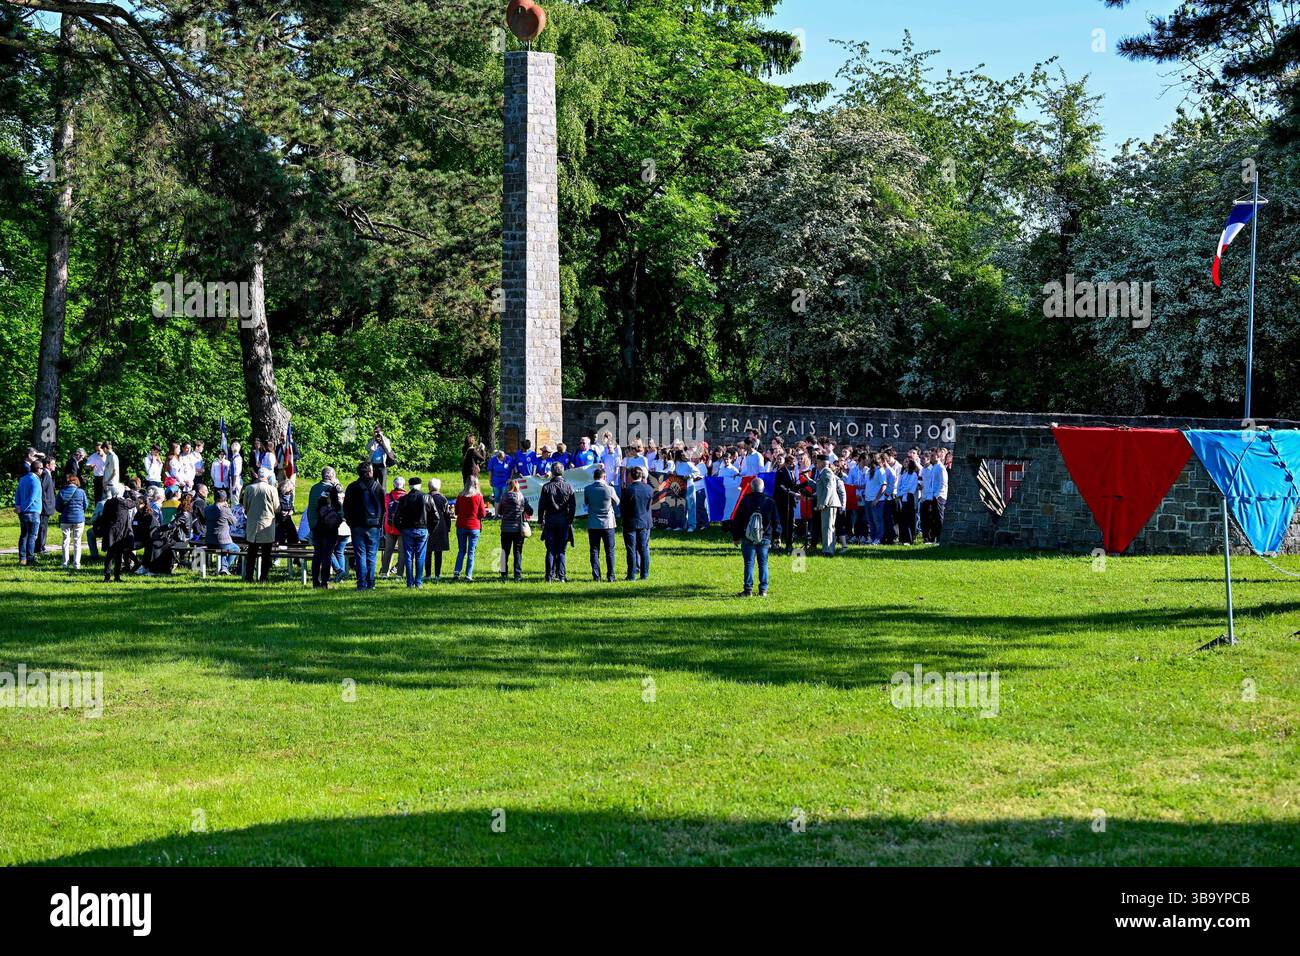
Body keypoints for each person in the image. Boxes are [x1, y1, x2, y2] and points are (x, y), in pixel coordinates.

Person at [731, 476, 777, 597]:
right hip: (765, 537)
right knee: (763, 563)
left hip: (747, 536)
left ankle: (748, 590)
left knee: (749, 563)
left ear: (751, 488)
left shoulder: (745, 500)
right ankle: (763, 590)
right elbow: (776, 521)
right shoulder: (770, 501)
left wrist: (736, 537)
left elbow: (737, 520)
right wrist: (777, 536)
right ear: (763, 488)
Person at [343, 462, 384, 589]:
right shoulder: (377, 487)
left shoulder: (352, 487)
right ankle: (370, 583)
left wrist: (351, 523)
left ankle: (361, 584)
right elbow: (383, 508)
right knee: (371, 555)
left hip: (357, 526)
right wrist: (379, 523)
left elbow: (346, 508)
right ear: (370, 472)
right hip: (374, 525)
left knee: (360, 555)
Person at [537, 462, 575, 582]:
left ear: (553, 472)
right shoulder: (568, 487)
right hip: (563, 521)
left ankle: (549, 576)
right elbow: (573, 506)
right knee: (561, 550)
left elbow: (541, 506)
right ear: (562, 472)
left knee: (551, 550)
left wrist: (540, 520)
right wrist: (570, 519)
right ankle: (561, 576)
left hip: (550, 521)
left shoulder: (546, 487)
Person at [394, 476, 434, 588]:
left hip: (407, 530)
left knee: (408, 556)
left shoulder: (404, 499)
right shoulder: (427, 497)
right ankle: (418, 582)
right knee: (420, 556)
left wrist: (401, 529)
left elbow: (396, 517)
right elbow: (435, 516)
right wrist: (430, 529)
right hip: (423, 529)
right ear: (420, 485)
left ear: (409, 486)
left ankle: (410, 582)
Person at [240, 467, 279, 582]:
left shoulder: (249, 488)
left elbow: (245, 506)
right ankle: (263, 577)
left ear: (258, 475)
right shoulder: (272, 489)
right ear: (267, 477)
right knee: (266, 554)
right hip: (267, 525)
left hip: (252, 524)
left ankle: (249, 576)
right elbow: (277, 508)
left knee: (251, 553)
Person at [584, 464, 620, 582]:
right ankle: (611, 576)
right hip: (608, 523)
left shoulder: (588, 489)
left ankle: (596, 576)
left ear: (594, 477)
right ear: (604, 477)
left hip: (593, 523)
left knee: (594, 550)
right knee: (609, 551)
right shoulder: (610, 489)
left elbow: (586, 502)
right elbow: (617, 502)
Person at [621, 466, 653, 581]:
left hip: (630, 522)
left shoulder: (627, 490)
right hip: (644, 521)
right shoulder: (649, 489)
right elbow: (649, 506)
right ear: (641, 476)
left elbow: (622, 508)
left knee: (631, 549)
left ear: (630, 476)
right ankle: (644, 574)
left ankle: (631, 575)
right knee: (643, 548)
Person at [452, 475, 487, 582]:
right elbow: (483, 513)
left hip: (461, 525)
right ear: (476, 485)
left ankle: (457, 573)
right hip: (474, 526)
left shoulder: (460, 496)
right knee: (471, 552)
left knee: (461, 551)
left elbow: (456, 511)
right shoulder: (478, 497)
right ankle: (468, 575)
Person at [496, 477, 531, 581]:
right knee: (517, 552)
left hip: (506, 529)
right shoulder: (522, 497)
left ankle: (503, 574)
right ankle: (517, 575)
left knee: (504, 552)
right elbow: (530, 512)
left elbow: (500, 512)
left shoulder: (504, 497)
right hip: (518, 530)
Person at [98, 489, 135, 581]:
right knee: (118, 555)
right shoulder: (123, 502)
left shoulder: (108, 502)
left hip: (110, 531)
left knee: (109, 555)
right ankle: (117, 576)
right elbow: (135, 502)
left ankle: (107, 576)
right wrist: (131, 492)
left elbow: (104, 516)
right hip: (120, 532)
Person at [310, 485, 343, 588]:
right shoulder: (336, 506)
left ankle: (315, 582)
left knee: (317, 556)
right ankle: (324, 582)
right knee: (326, 557)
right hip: (330, 532)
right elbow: (341, 516)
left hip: (318, 531)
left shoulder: (320, 504)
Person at [814, 454, 845, 557]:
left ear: (822, 462)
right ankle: (829, 549)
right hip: (829, 503)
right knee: (829, 527)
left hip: (829, 503)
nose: (816, 463)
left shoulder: (826, 471)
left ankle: (827, 551)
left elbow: (829, 488)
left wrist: (824, 503)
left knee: (827, 527)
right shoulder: (823, 472)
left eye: (818, 461)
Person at [204, 490, 241, 575]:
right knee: (236, 549)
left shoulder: (207, 509)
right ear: (225, 499)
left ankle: (223, 568)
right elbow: (234, 522)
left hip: (209, 541)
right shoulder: (225, 510)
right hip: (222, 541)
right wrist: (228, 509)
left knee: (223, 550)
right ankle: (224, 567)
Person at [56, 474, 89, 569]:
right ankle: (76, 564)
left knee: (65, 541)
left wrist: (64, 511)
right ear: (77, 482)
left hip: (65, 519)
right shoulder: (81, 492)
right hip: (79, 519)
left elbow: (57, 507)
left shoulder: (62, 492)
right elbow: (85, 505)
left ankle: (65, 563)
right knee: (77, 541)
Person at [15, 462, 43, 566]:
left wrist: (18, 506)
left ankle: (22, 558)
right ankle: (30, 558)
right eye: (41, 468)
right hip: (32, 511)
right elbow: (32, 497)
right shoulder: (35, 480)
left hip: (22, 512)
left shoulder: (23, 479)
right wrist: (23, 507)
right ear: (38, 469)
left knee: (24, 535)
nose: (42, 470)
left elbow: (17, 494)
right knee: (32, 536)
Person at [380, 475, 408, 578]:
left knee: (388, 550)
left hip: (389, 527)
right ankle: (399, 574)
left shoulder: (387, 497)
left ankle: (384, 573)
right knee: (402, 552)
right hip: (402, 528)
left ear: (394, 485)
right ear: (403, 485)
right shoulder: (407, 496)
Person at [920, 448, 949, 544]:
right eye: (931, 455)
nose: (931, 457)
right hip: (932, 496)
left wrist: (937, 495)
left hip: (938, 497)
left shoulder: (941, 467)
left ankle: (940, 538)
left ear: (939, 456)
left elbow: (943, 483)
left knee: (939, 518)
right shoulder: (934, 467)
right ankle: (934, 538)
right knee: (933, 518)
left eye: (933, 456)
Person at [424, 478, 451, 581]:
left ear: (429, 487)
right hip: (441, 528)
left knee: (428, 552)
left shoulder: (425, 498)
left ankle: (427, 574)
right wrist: (448, 527)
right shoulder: (443, 499)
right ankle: (437, 575)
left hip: (428, 527)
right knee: (438, 552)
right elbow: (447, 515)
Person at [897, 457, 920, 546]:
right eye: (904, 461)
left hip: (909, 498)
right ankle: (902, 538)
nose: (905, 463)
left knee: (908, 519)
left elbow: (910, 488)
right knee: (902, 519)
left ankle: (909, 539)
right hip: (902, 497)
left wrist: (901, 493)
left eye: (907, 462)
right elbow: (899, 485)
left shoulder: (913, 474)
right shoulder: (903, 474)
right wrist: (899, 493)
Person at [37, 458, 56, 556]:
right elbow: (42, 489)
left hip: (47, 505)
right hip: (44, 506)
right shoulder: (45, 474)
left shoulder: (48, 474)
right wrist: (45, 503)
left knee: (44, 527)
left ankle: (41, 545)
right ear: (48, 465)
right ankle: (40, 547)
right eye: (53, 464)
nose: (55, 466)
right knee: (42, 527)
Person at [367, 427, 393, 492]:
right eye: (375, 432)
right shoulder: (371, 440)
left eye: (378, 432)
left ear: (382, 432)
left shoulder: (386, 440)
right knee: (371, 483)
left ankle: (383, 499)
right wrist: (374, 439)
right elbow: (367, 448)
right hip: (372, 465)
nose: (377, 433)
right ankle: (372, 498)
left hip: (382, 465)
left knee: (383, 485)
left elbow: (388, 449)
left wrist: (382, 439)